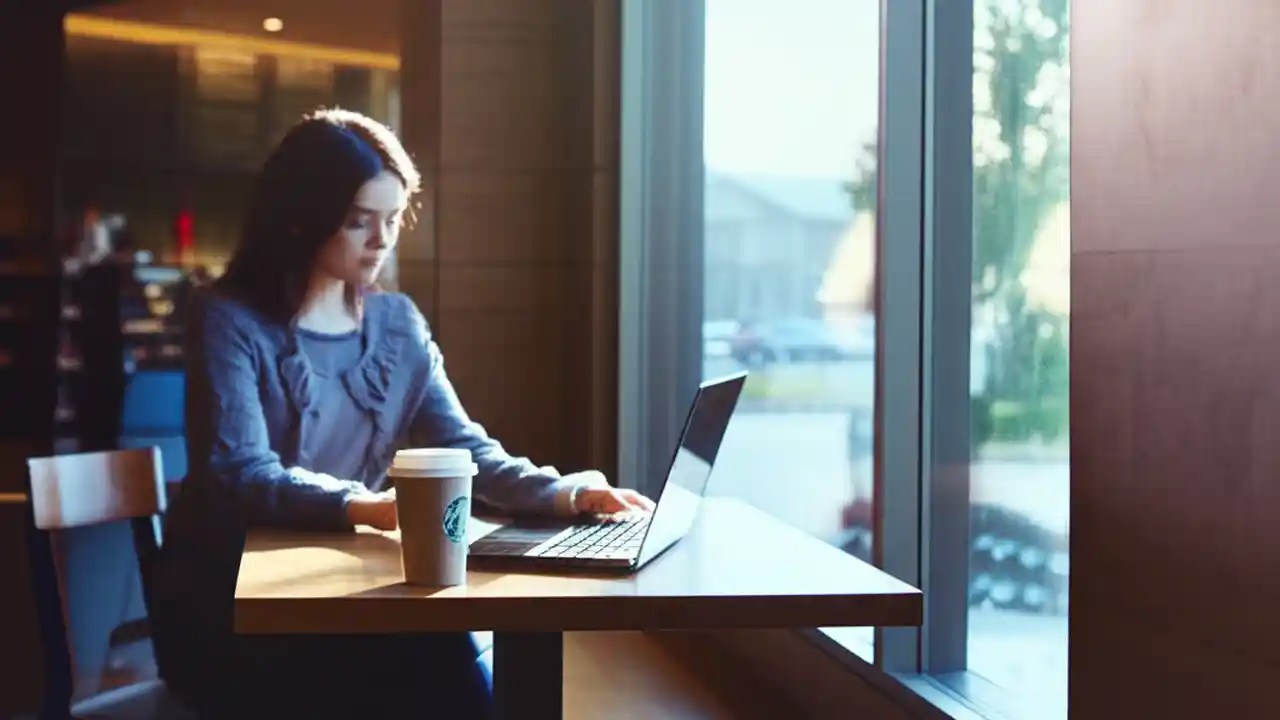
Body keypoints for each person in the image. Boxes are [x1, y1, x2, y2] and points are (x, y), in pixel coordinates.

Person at [151, 108, 653, 719]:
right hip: (229, 601)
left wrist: (563, 493)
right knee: (435, 660)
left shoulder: (397, 324)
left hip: (342, 587)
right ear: (300, 219)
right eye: (359, 222)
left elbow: (462, 446)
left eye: (392, 219)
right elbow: (240, 471)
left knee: (447, 652)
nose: (382, 239)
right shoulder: (227, 317)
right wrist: (367, 506)